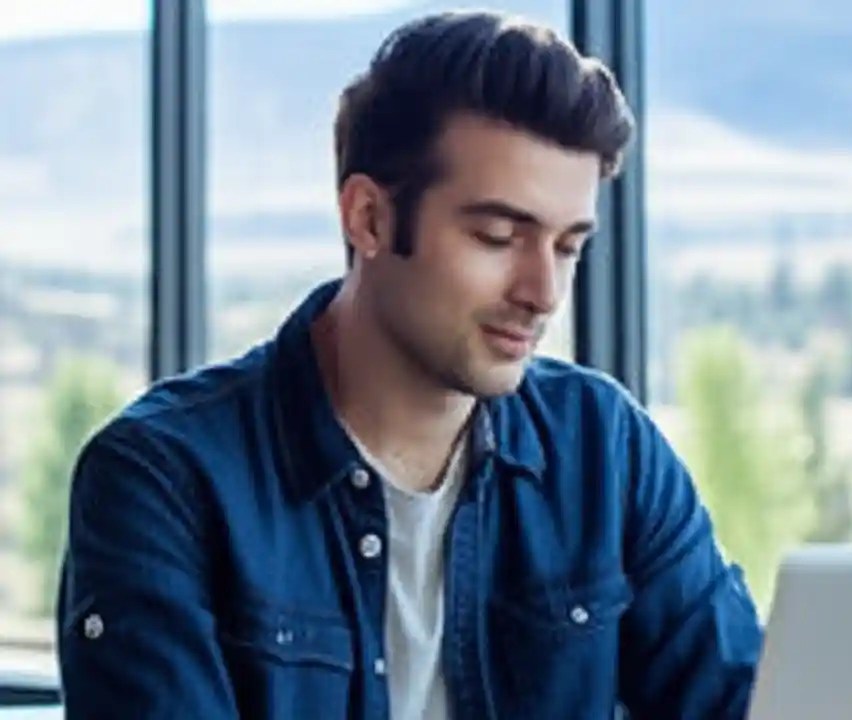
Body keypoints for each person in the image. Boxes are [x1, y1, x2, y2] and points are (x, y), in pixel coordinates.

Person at [55, 9, 763, 720]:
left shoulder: (604, 448)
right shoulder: (164, 481)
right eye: (496, 236)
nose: (542, 293)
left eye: (568, 246)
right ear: (367, 218)